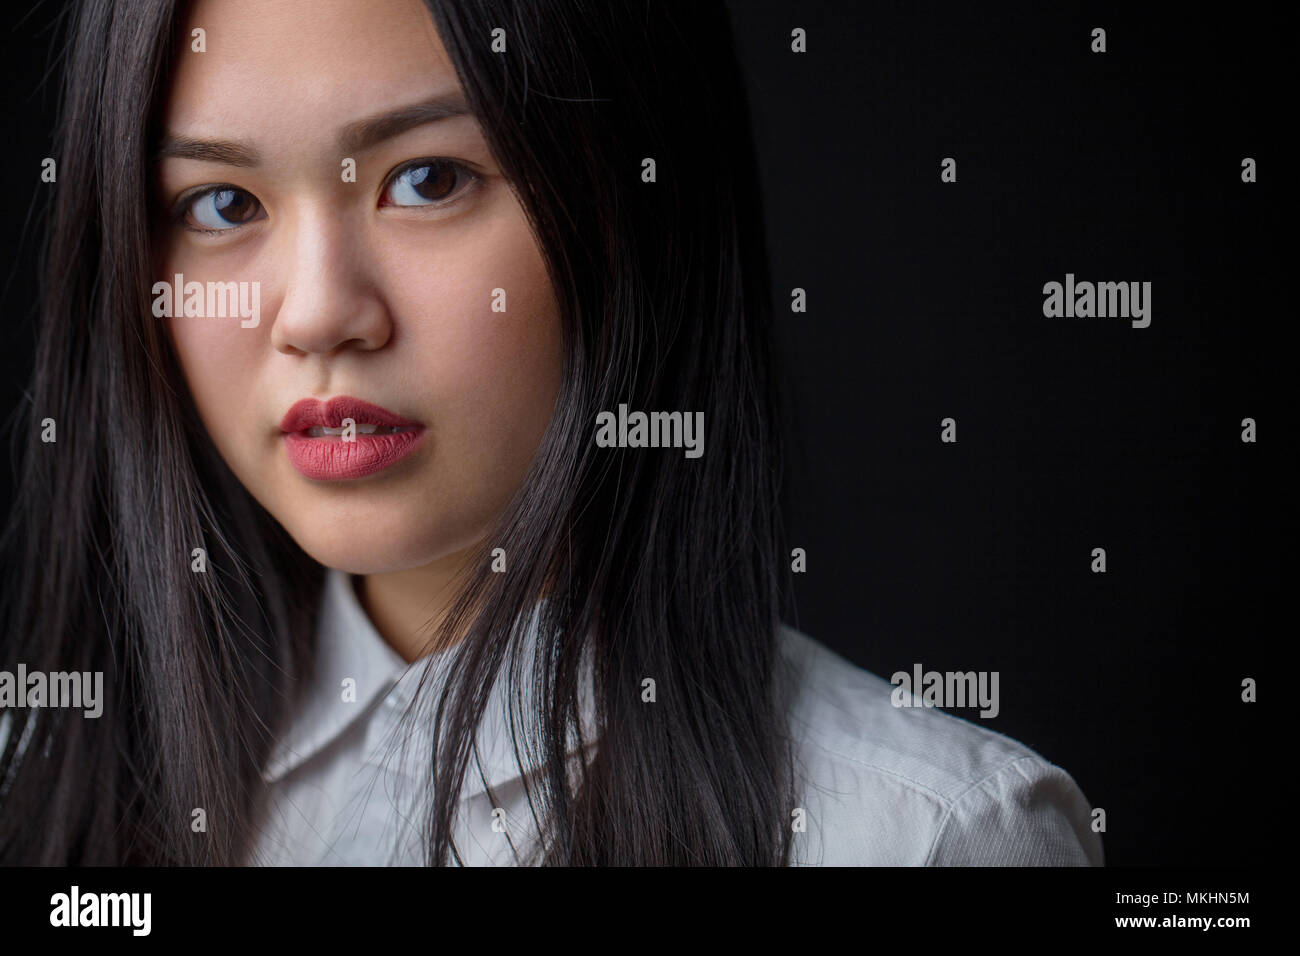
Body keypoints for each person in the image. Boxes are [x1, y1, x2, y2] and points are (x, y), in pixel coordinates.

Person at [0, 0, 1102, 866]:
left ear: (636, 209)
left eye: (428, 180)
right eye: (221, 204)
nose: (320, 312)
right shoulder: (35, 781)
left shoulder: (924, 837)